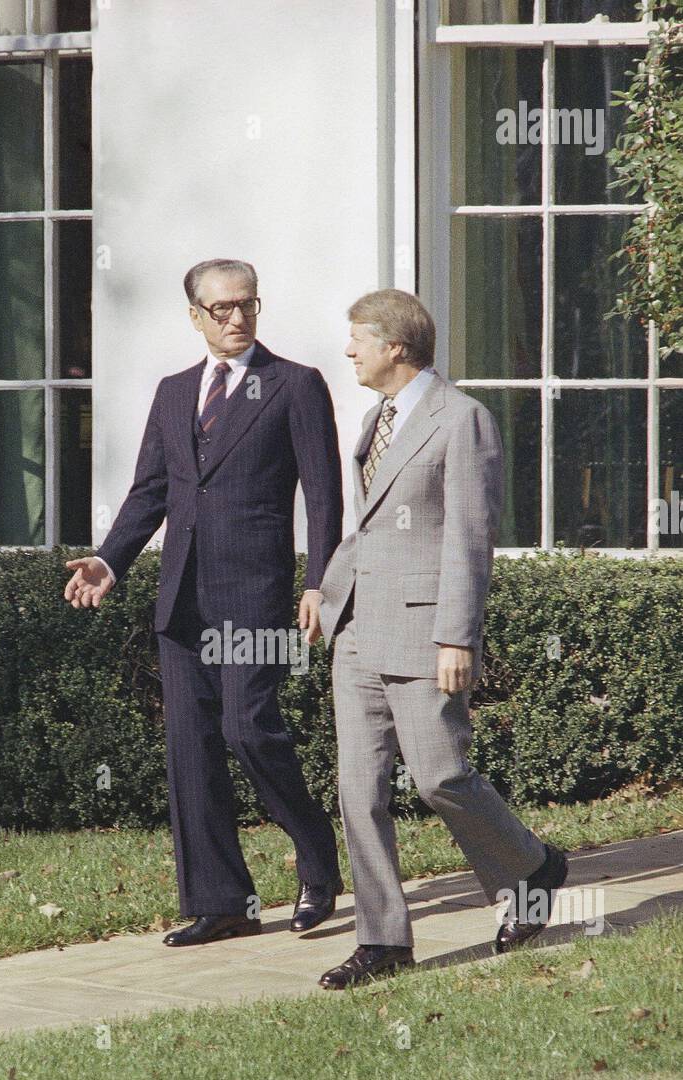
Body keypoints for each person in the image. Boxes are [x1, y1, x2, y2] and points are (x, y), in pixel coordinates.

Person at [64, 259, 344, 945]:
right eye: (220, 308)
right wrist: (109, 559)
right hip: (181, 600)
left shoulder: (295, 386)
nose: (236, 317)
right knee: (190, 752)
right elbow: (150, 491)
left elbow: (326, 494)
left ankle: (319, 862)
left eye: (246, 303)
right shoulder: (173, 392)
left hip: (254, 595)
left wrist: (320, 582)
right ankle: (220, 902)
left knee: (251, 731)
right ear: (195, 316)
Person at [314, 289, 568, 989]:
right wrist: (324, 589)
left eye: (357, 338)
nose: (349, 351)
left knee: (439, 777)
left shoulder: (462, 421)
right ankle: (383, 941)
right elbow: (366, 525)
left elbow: (469, 537)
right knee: (357, 789)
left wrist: (456, 637)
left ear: (394, 345)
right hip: (357, 629)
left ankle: (531, 868)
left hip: (425, 633)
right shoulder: (374, 419)